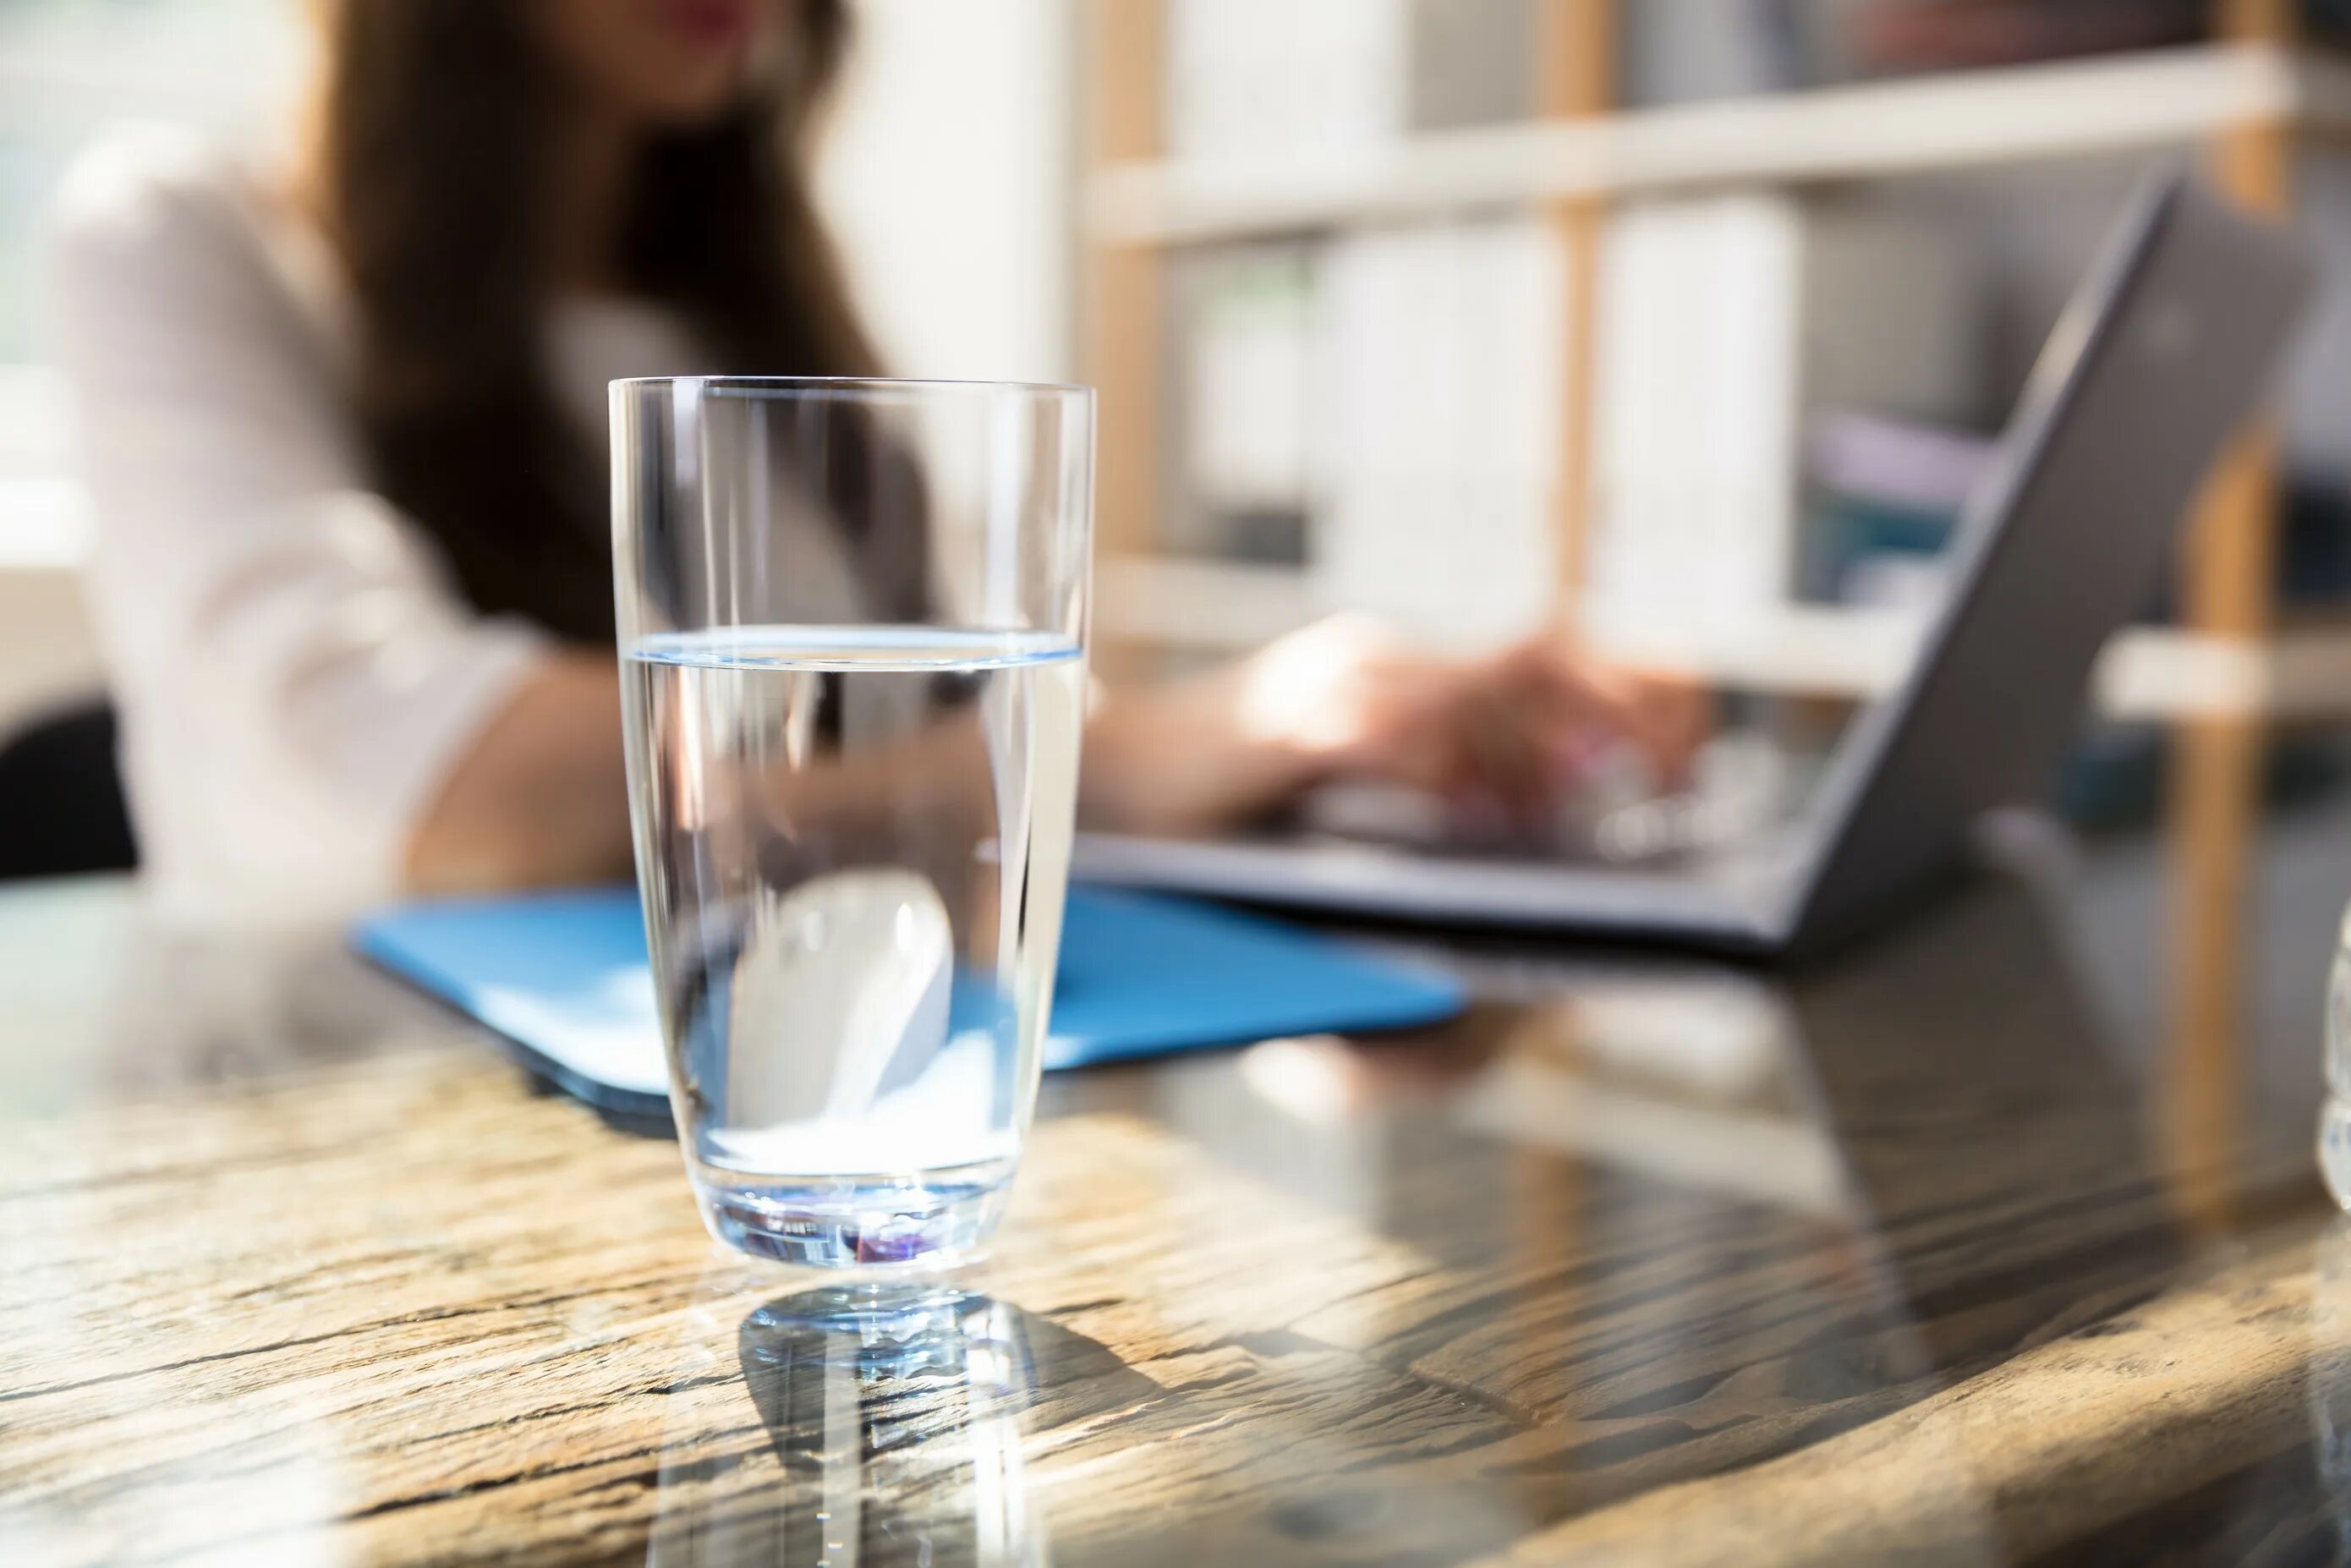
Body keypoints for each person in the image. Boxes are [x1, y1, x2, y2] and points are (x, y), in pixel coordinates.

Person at [47, 0, 1691, 923]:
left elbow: (918, 752)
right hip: (351, 1165)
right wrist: (1103, 754)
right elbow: (409, 774)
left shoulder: (748, 298)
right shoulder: (187, 242)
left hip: (812, 1047)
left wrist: (1325, 742)